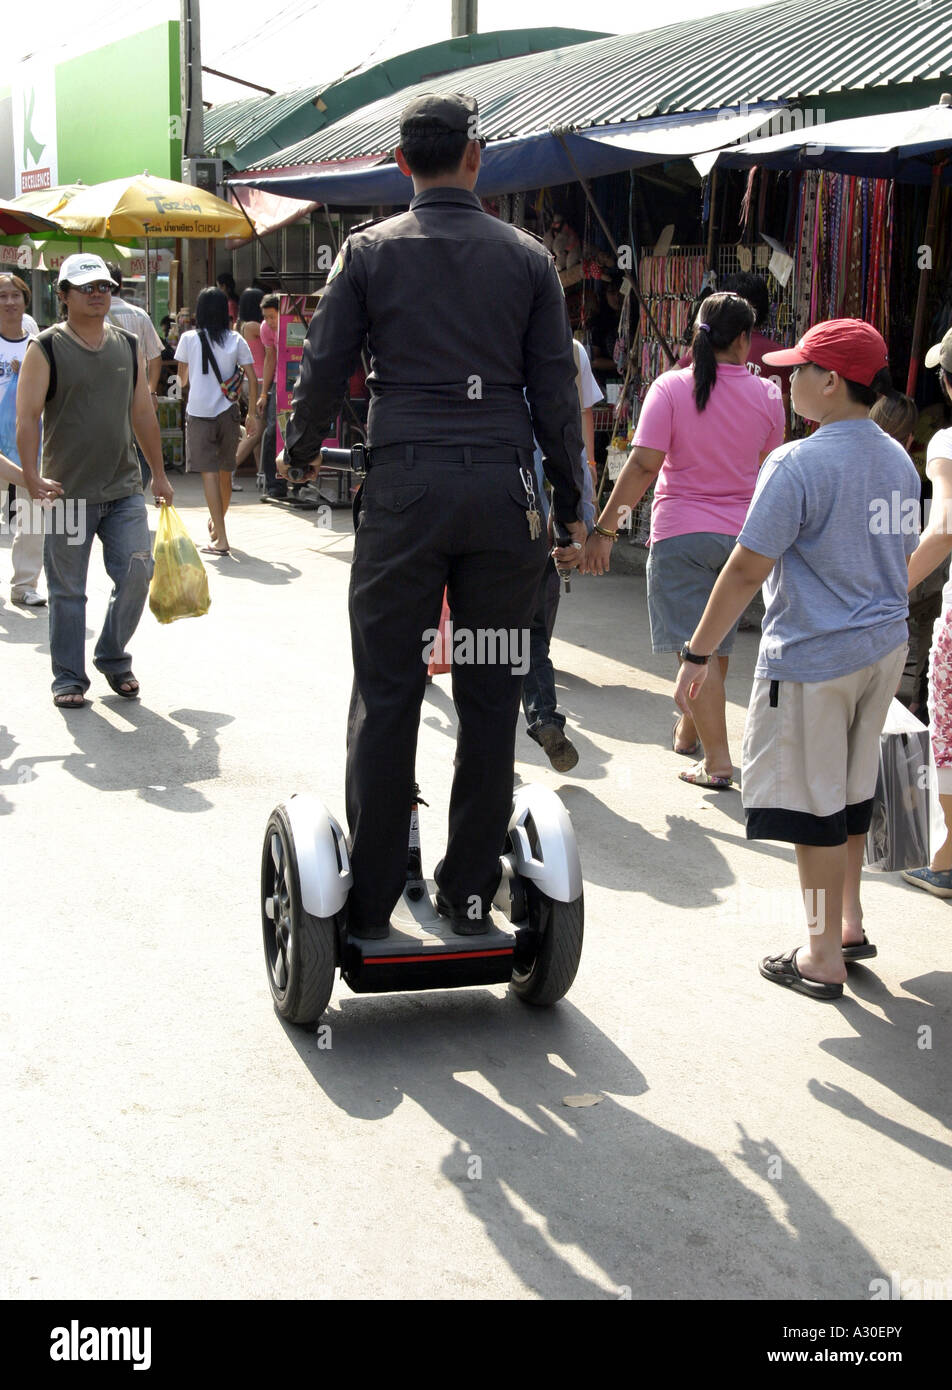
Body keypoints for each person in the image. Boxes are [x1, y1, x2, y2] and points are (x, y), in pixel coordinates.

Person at [281, 91, 587, 939]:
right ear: (475, 158)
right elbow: (556, 401)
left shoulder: (368, 254)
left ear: (403, 163)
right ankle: (463, 891)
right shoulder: (528, 261)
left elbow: (325, 367)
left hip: (405, 496)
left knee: (389, 691)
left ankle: (373, 902)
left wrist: (299, 450)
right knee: (491, 695)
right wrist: (571, 510)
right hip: (502, 502)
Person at [672, 319, 918, 1000]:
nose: (786, 380)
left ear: (832, 382)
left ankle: (819, 955)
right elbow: (901, 558)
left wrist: (697, 652)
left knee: (813, 810)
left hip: (815, 656)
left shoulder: (799, 462)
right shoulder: (898, 459)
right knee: (850, 793)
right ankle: (847, 923)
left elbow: (747, 568)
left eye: (798, 370)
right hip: (882, 649)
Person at [582, 291, 785, 789]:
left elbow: (643, 467)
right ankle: (689, 733)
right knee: (712, 647)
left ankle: (717, 763)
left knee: (695, 652)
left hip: (681, 536)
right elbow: (767, 465)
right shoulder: (770, 396)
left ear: (696, 334)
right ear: (744, 340)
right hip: (743, 542)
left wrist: (606, 529)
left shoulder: (670, 389)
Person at [15, 253, 174, 707]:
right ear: (62, 295)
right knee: (68, 592)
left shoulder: (126, 345)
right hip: (65, 492)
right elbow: (27, 419)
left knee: (139, 571)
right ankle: (68, 678)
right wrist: (31, 477)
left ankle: (112, 655)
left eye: (104, 287)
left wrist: (159, 475)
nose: (98, 294)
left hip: (123, 487)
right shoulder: (44, 347)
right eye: (86, 288)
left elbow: (142, 412)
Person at [522, 339, 599, 771]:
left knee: (492, 639)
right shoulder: (563, 350)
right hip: (537, 525)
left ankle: (491, 746)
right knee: (530, 633)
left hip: (478, 517)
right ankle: (543, 716)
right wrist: (576, 530)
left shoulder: (476, 335)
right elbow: (572, 452)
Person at [903, 329, 952, 896]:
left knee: (948, 735)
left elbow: (941, 529)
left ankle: (945, 859)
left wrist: (895, 589)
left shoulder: (944, 444)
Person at [174, 286, 257, 556]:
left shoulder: (188, 339)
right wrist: (252, 414)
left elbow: (182, 380)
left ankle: (221, 539)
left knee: (209, 474)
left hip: (199, 414)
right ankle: (218, 524)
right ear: (225, 312)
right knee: (225, 472)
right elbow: (252, 378)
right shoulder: (236, 340)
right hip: (228, 413)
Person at [0, 272, 45, 605]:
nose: (10, 302)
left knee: (33, 514)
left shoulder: (38, 345)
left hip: (29, 441)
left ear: (25, 300)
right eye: (2, 296)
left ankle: (25, 585)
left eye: (16, 295)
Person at [105, 264, 164, 487]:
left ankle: (121, 490)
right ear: (121, 284)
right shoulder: (139, 315)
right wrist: (150, 390)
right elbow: (155, 357)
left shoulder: (91, 317)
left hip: (107, 395)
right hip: (138, 393)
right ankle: (136, 489)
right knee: (143, 446)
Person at [235, 287, 265, 480]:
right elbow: (273, 344)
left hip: (245, 380)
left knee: (257, 430)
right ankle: (230, 466)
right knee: (257, 430)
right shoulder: (255, 326)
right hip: (259, 382)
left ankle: (260, 471)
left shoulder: (240, 325)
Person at [257, 293, 283, 498]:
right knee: (272, 430)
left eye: (272, 316)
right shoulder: (265, 329)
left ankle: (299, 482)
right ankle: (274, 484)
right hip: (278, 382)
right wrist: (264, 394)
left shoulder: (294, 324)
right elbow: (269, 359)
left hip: (300, 382)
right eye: (266, 317)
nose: (269, 321)